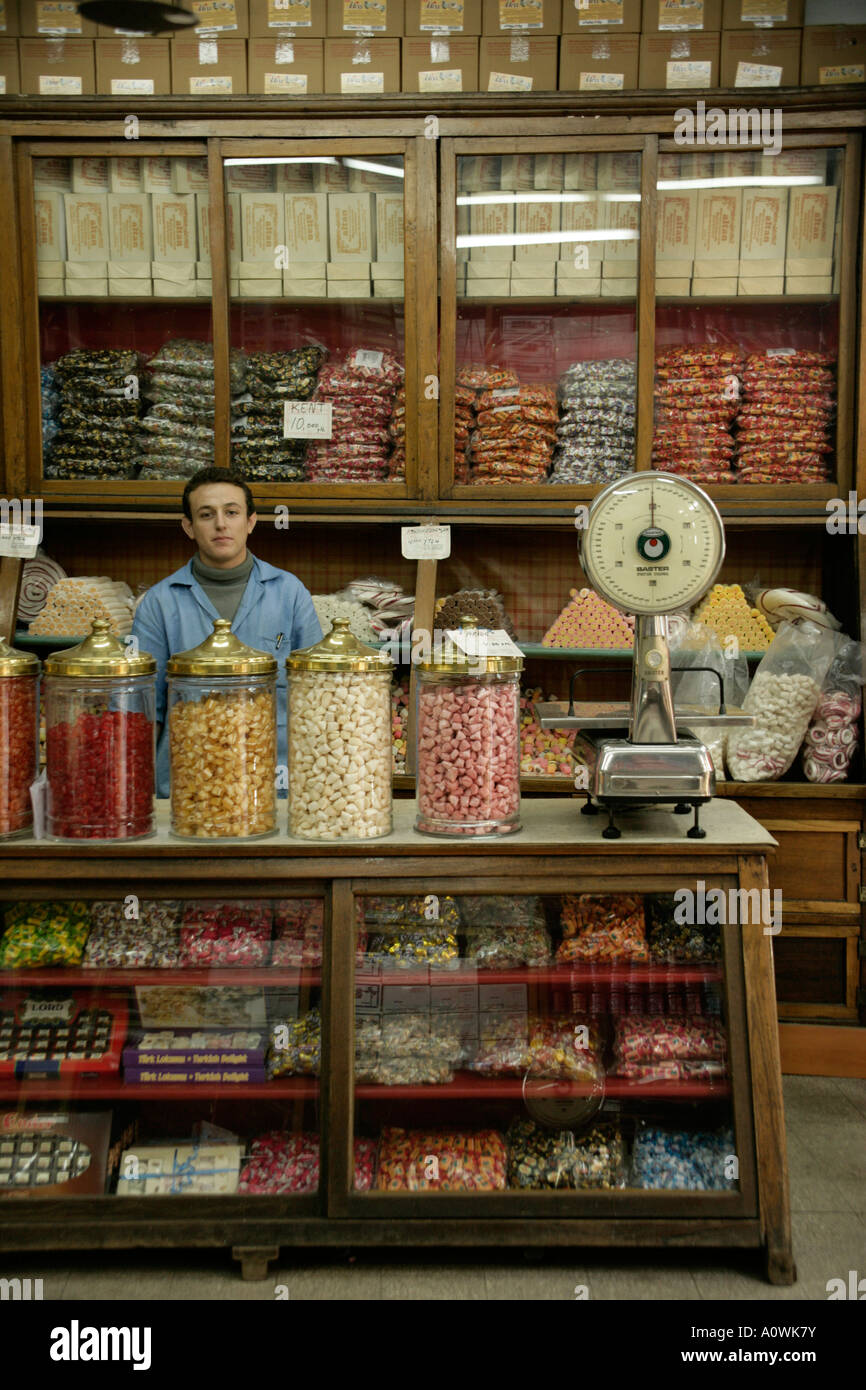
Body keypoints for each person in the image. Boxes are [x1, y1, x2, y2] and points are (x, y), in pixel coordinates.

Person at [132, 466, 322, 798]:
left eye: (231, 512)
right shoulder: (160, 603)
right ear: (188, 527)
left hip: (274, 786)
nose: (221, 524)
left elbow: (317, 700)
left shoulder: (289, 593)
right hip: (187, 789)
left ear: (250, 522)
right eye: (207, 515)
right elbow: (146, 711)